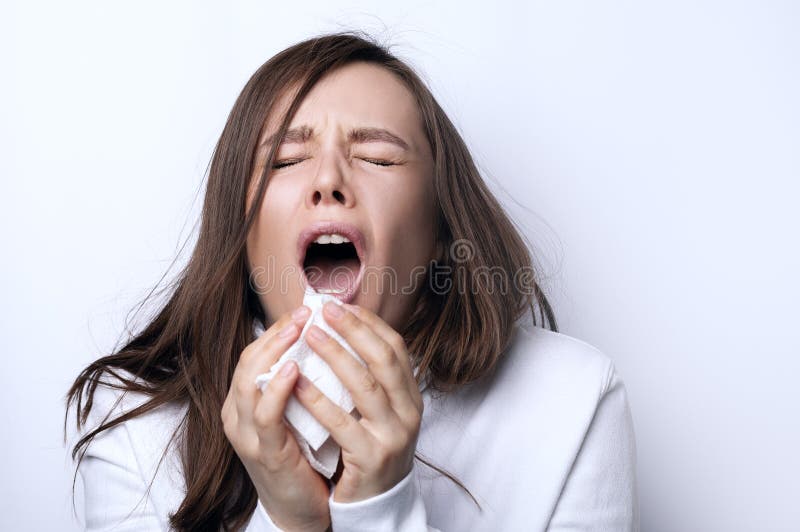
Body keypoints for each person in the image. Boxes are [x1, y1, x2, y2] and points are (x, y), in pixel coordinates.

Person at [64, 31, 639, 531]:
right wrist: (288, 522)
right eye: (285, 160)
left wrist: (381, 513)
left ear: (441, 226)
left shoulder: (572, 399)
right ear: (239, 232)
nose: (329, 180)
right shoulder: (135, 424)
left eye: (380, 159)